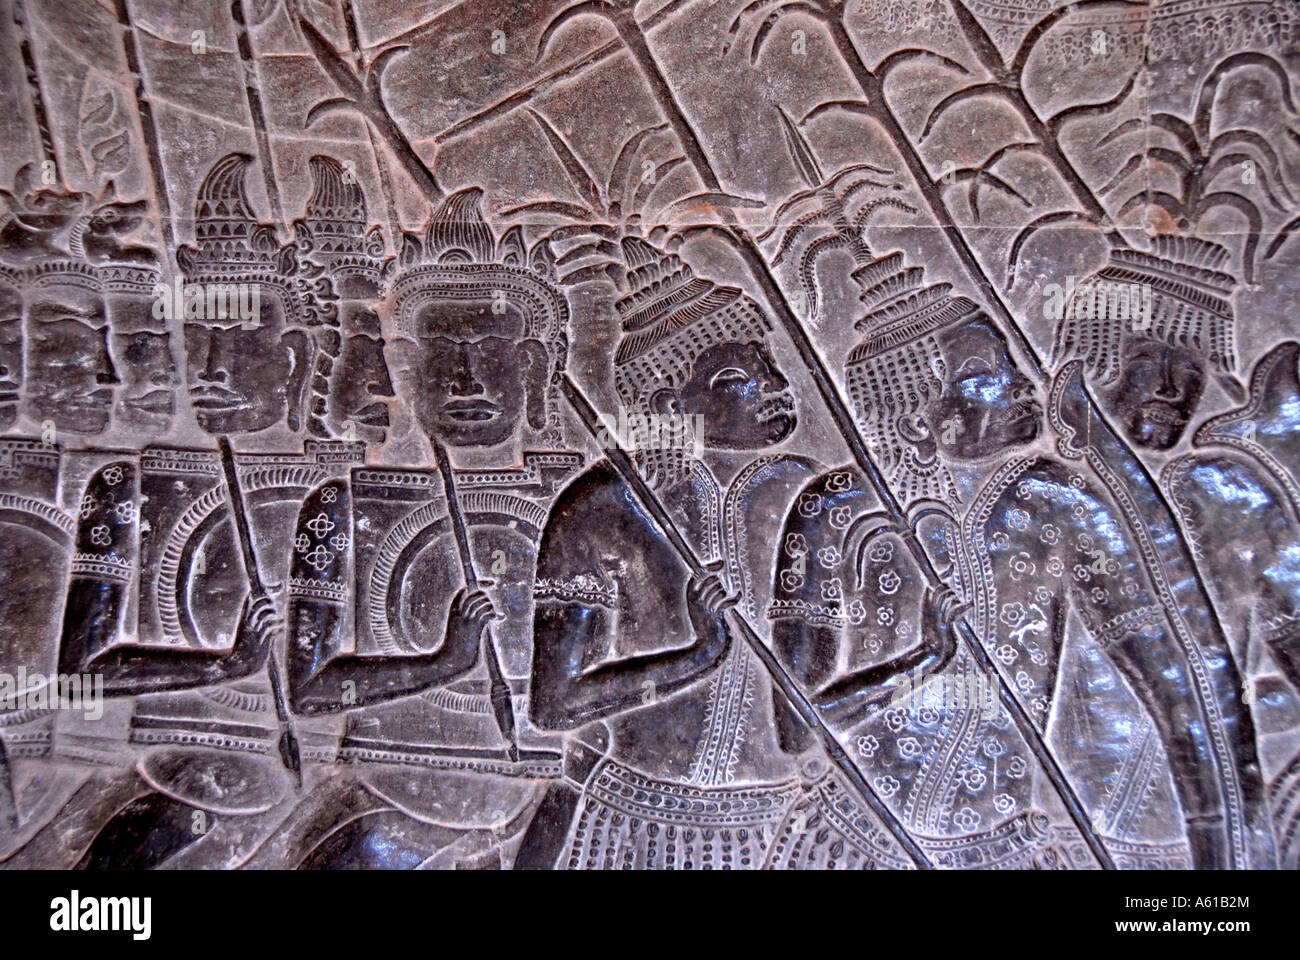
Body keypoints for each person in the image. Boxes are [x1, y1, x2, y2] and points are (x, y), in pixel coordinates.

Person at [767, 253, 1273, 869]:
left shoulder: (1056, 500)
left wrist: (1222, 853)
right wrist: (922, 660)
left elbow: (1174, 686)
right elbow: (796, 730)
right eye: (986, 372)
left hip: (1001, 844)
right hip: (846, 834)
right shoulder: (831, 510)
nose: (1020, 382)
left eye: (1011, 361)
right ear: (917, 421)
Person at [523, 234, 821, 869]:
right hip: (634, 819)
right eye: (739, 378)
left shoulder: (797, 488)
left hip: (775, 819)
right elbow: (554, 704)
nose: (775, 385)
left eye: (768, 365)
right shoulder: (600, 509)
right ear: (669, 405)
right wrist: (698, 655)